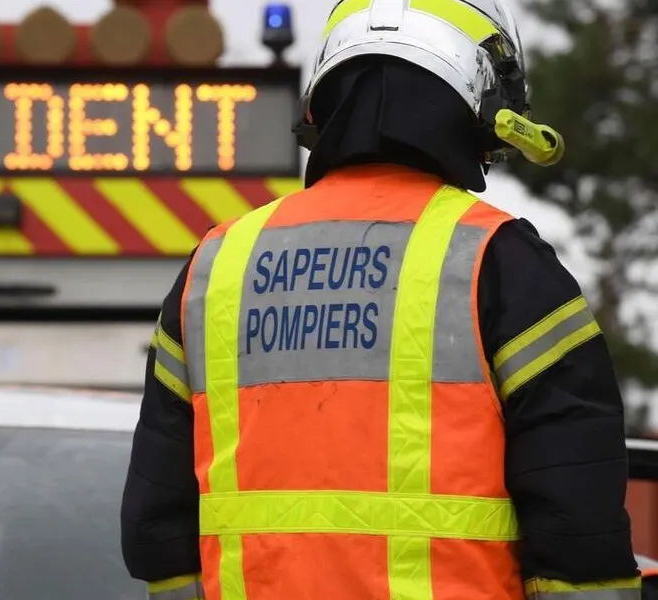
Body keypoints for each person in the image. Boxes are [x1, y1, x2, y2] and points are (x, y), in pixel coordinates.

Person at [119, 0, 641, 597]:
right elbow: (577, 519)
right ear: (477, 100)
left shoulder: (214, 266)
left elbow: (157, 527)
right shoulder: (503, 262)